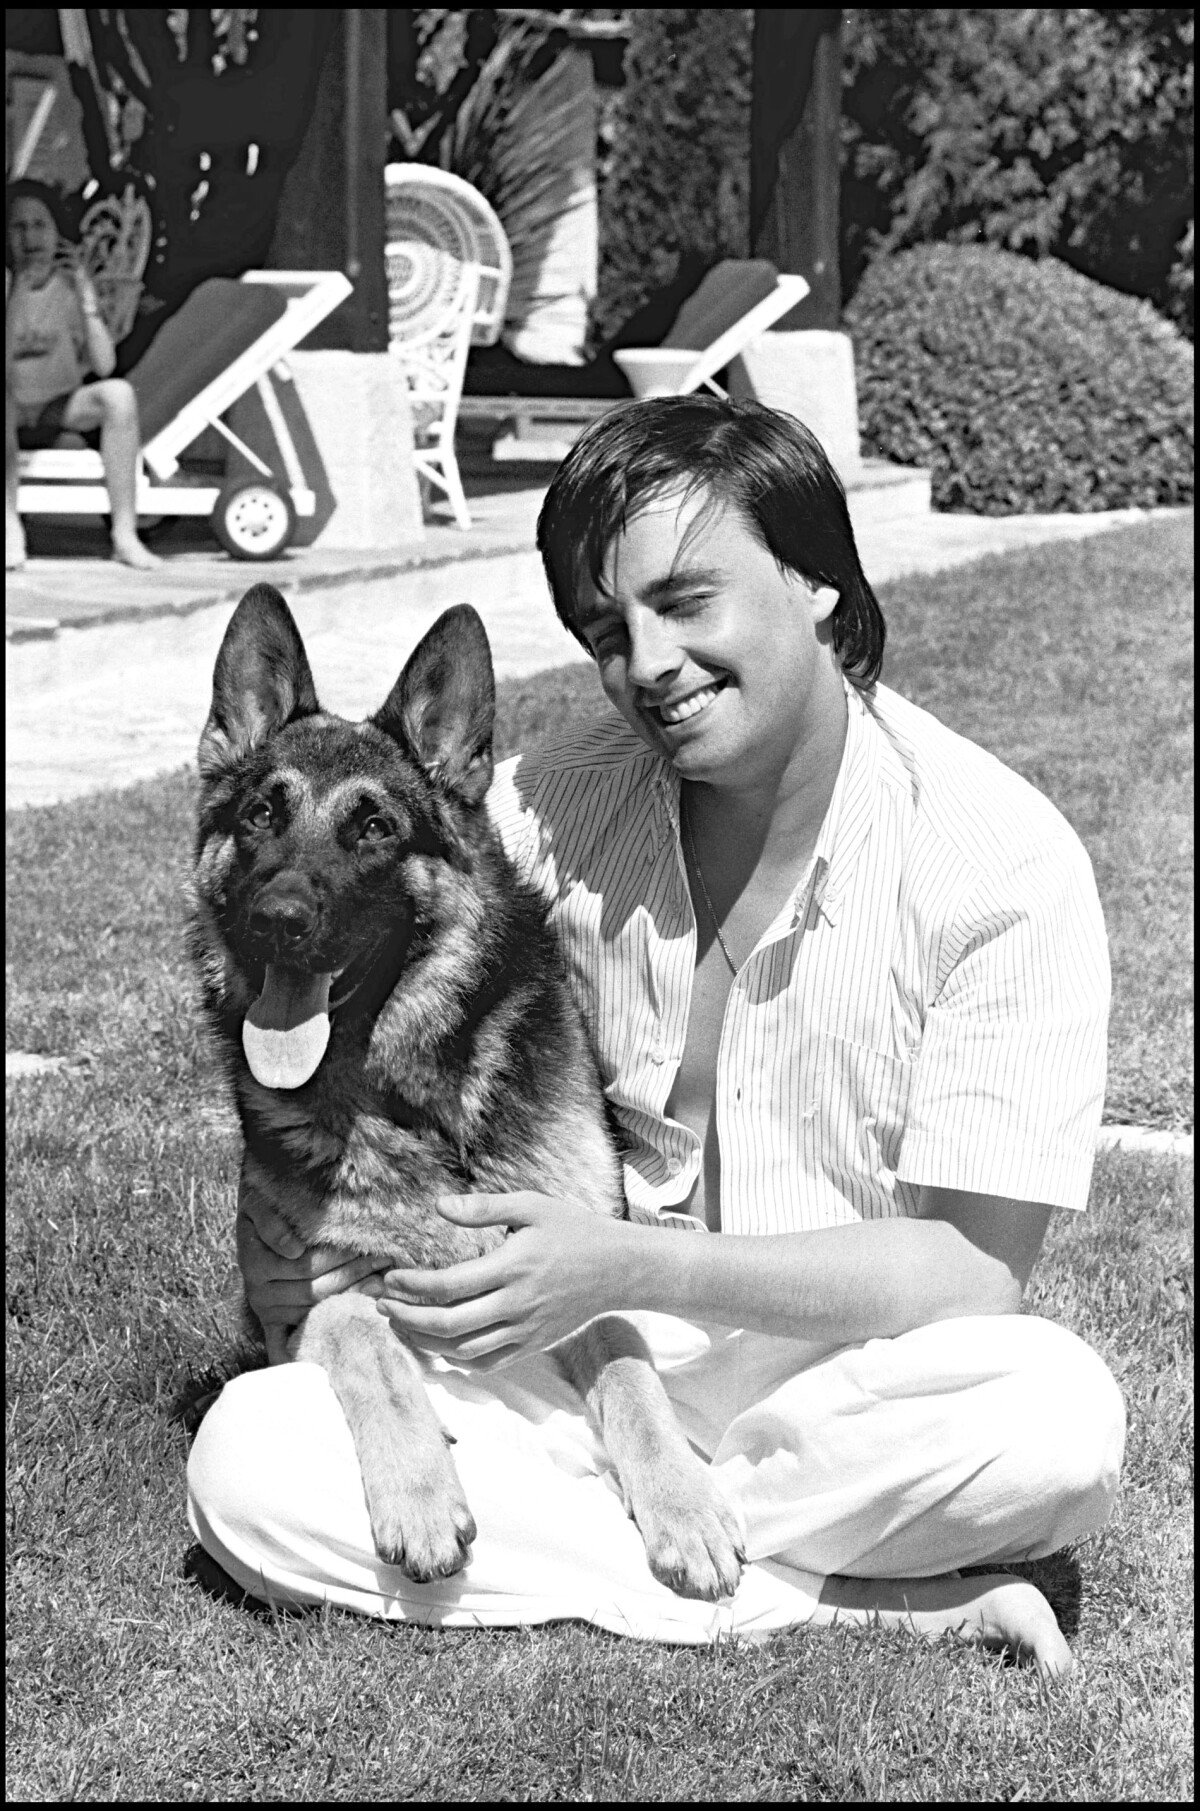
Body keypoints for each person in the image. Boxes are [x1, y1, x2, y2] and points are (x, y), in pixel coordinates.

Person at [188, 398, 1125, 1677]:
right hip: (557, 1357)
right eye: (608, 630)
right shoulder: (546, 810)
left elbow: (972, 1275)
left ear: (819, 582)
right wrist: (309, 1222)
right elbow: (381, 942)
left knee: (1053, 1422)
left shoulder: (1003, 867)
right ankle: (850, 1596)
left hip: (830, 1371)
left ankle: (604, 1539)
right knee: (249, 1461)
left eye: (687, 601)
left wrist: (628, 1264)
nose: (651, 663)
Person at [6, 179, 160, 571]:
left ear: (56, 232)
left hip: (58, 407)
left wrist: (87, 301)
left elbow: (105, 366)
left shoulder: (71, 287)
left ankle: (124, 534)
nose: (30, 238)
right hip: (10, 410)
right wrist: (14, 297)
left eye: (39, 225)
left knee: (118, 394)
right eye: (18, 227)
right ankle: (8, 525)